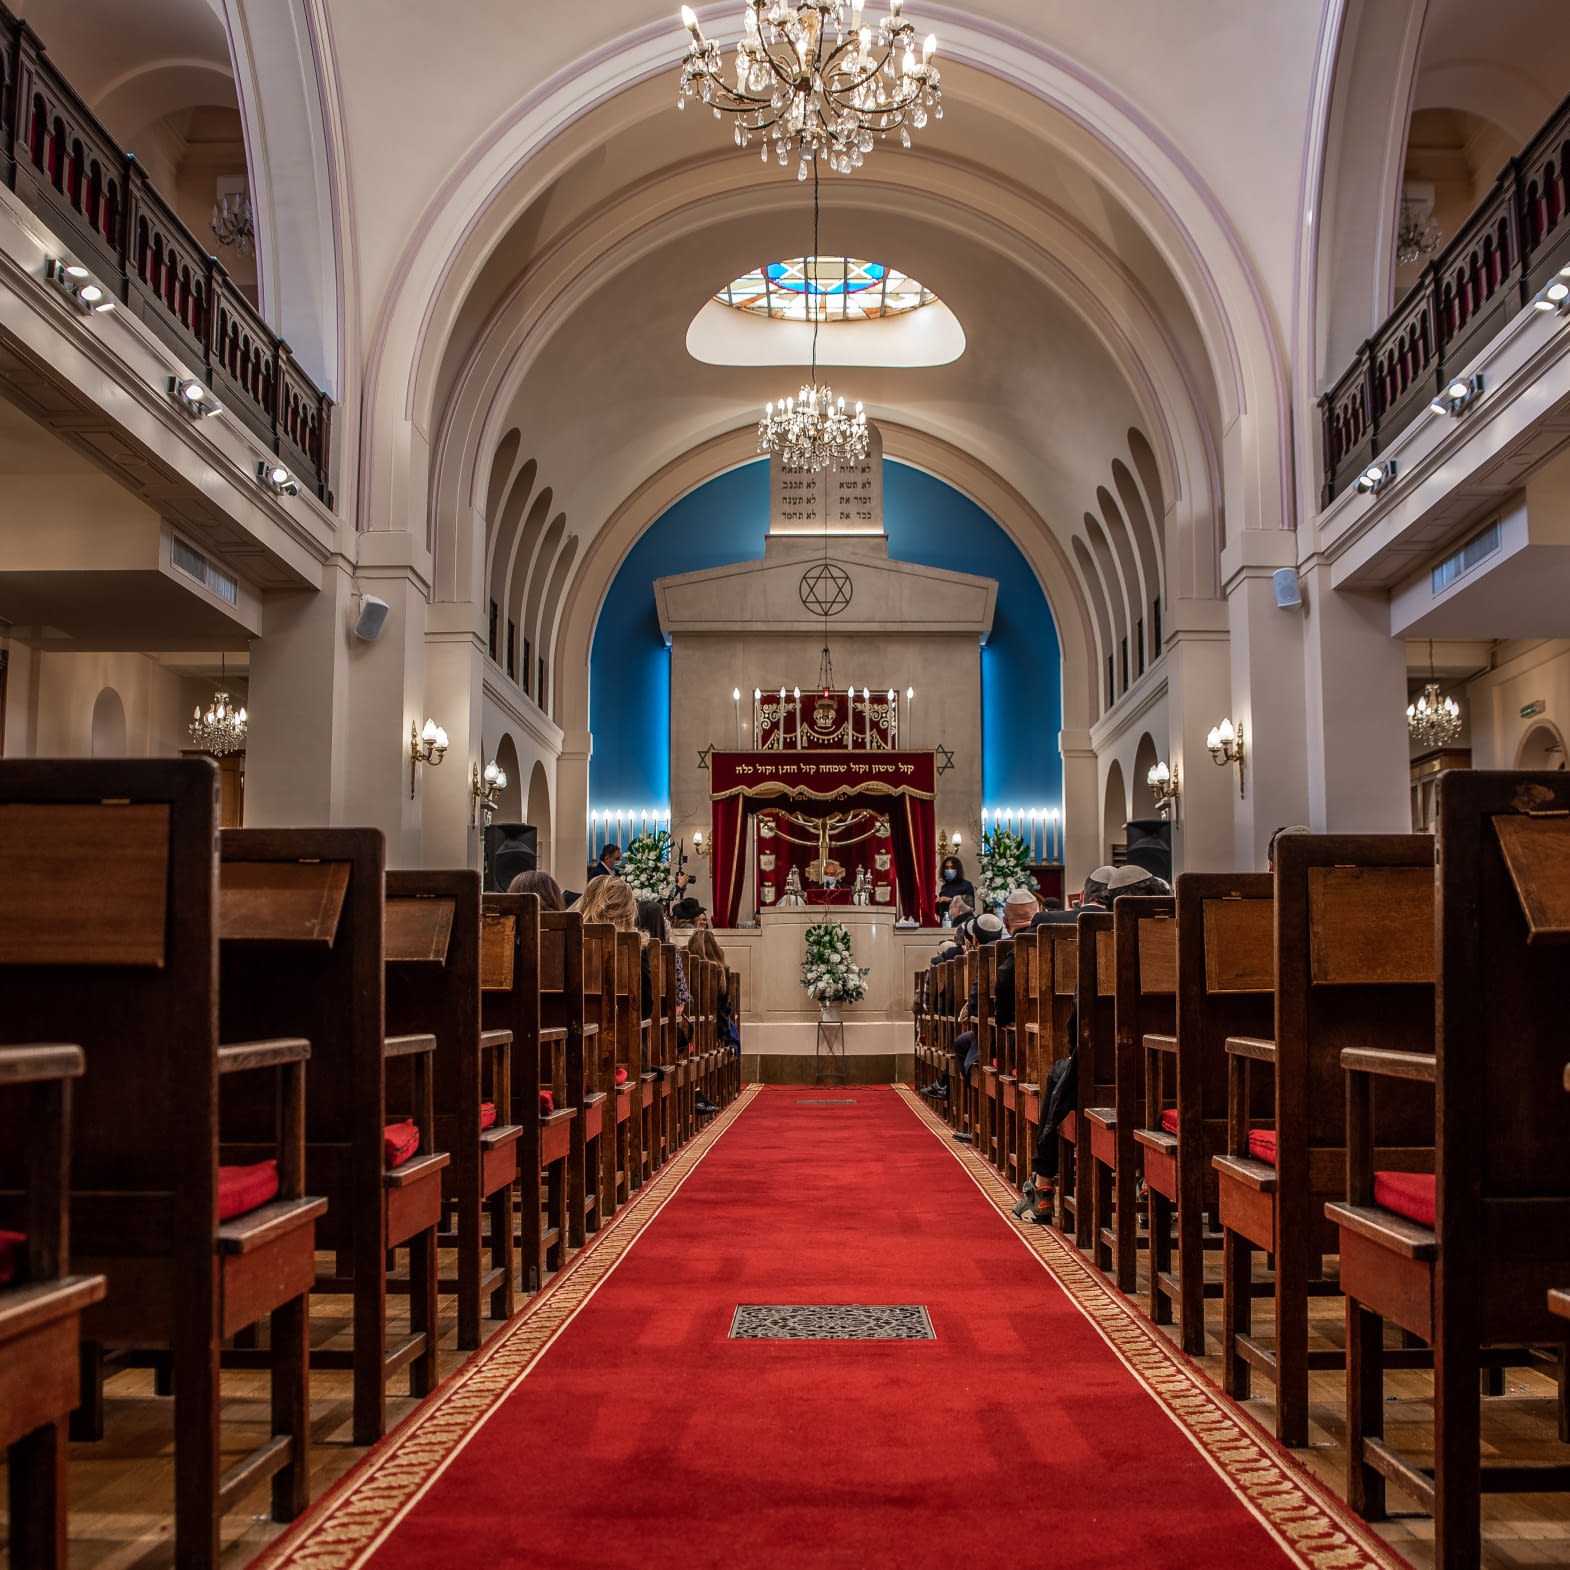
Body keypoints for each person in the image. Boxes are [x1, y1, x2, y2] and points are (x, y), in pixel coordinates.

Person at [1017, 866, 1173, 1223]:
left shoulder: (1103, 948)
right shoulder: (1184, 941)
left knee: (1062, 1072)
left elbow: (1077, 1032)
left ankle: (1042, 1183)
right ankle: (1145, 1182)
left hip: (1112, 1075)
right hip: (1181, 1078)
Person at [920, 912, 1005, 1106]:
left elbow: (971, 1007)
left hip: (994, 1033)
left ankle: (971, 1107)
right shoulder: (1014, 948)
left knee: (961, 1041)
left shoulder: (979, 958)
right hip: (1024, 1031)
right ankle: (947, 1087)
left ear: (974, 938)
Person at [688, 926, 740, 1068]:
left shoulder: (686, 967)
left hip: (688, 1027)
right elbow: (724, 1007)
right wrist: (725, 1034)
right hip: (714, 1028)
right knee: (733, 1030)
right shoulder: (722, 971)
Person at [935, 854, 975, 924]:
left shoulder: (966, 884)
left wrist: (950, 899)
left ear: (958, 869)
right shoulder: (944, 887)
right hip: (947, 922)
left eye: (952, 867)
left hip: (963, 923)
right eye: (946, 868)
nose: (949, 870)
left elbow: (970, 906)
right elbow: (940, 911)